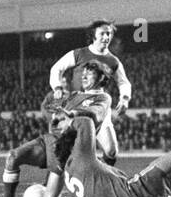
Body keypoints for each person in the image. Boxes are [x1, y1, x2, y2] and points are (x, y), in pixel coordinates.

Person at [0, 60, 114, 197]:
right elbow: (55, 111)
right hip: (51, 139)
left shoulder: (103, 98)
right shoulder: (75, 95)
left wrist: (73, 113)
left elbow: (96, 113)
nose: (84, 76)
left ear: (102, 78)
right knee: (13, 156)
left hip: (68, 148)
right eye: (83, 73)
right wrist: (56, 111)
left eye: (90, 73)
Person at [48, 20, 132, 163]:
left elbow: (123, 82)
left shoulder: (113, 61)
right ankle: (53, 181)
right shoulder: (79, 53)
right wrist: (57, 87)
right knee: (64, 151)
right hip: (75, 105)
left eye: (109, 34)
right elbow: (57, 68)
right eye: (103, 34)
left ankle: (104, 180)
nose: (106, 37)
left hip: (97, 106)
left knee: (111, 152)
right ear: (93, 35)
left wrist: (124, 99)